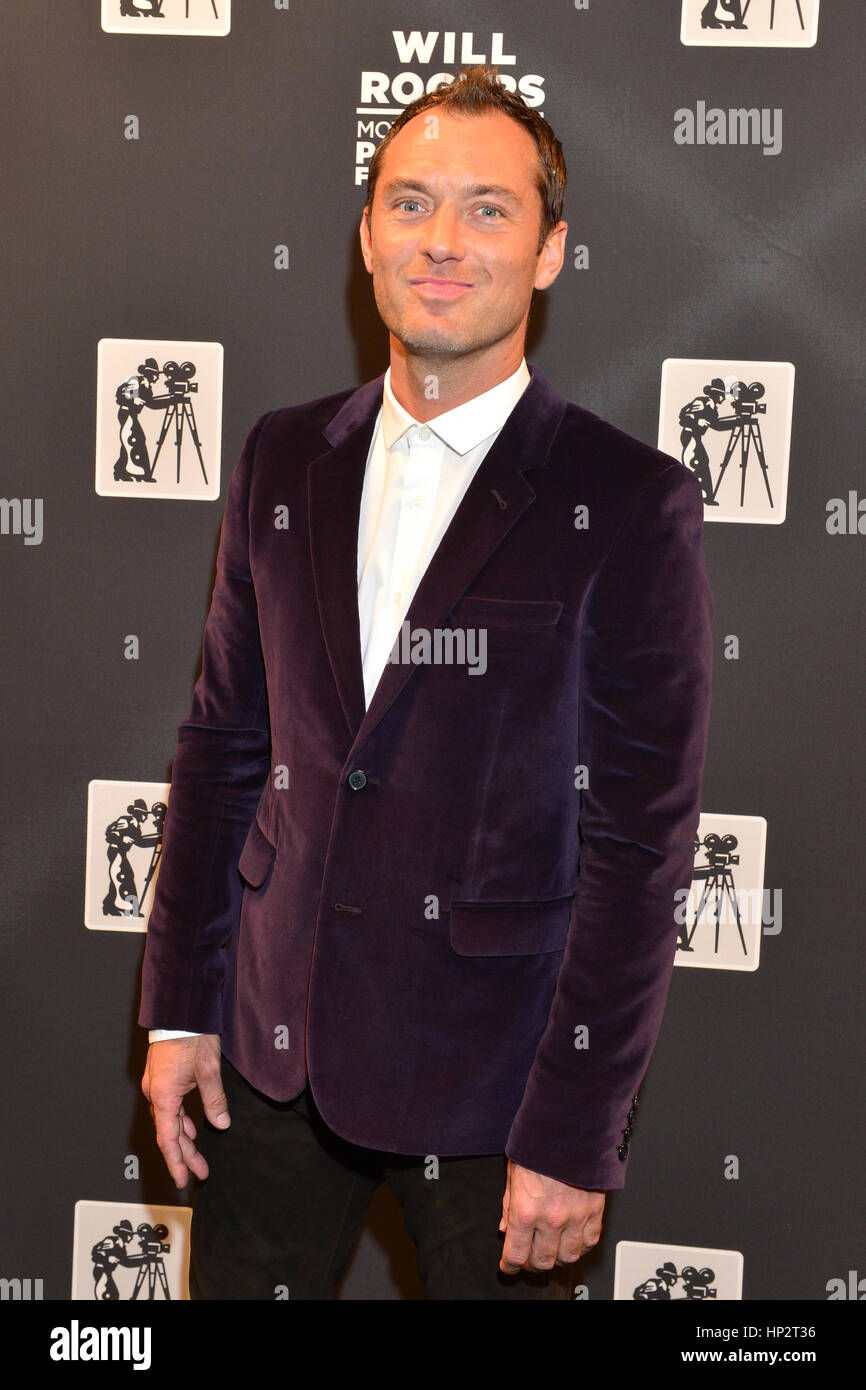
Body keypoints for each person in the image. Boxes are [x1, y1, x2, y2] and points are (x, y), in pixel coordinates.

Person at [139, 66, 713, 1300]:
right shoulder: (282, 455)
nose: (442, 242)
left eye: (488, 209)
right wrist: (180, 1008)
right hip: (269, 1062)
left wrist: (575, 1124)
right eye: (409, 203)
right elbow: (223, 745)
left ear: (551, 251)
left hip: (496, 1094)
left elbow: (638, 844)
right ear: (364, 235)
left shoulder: (624, 502)